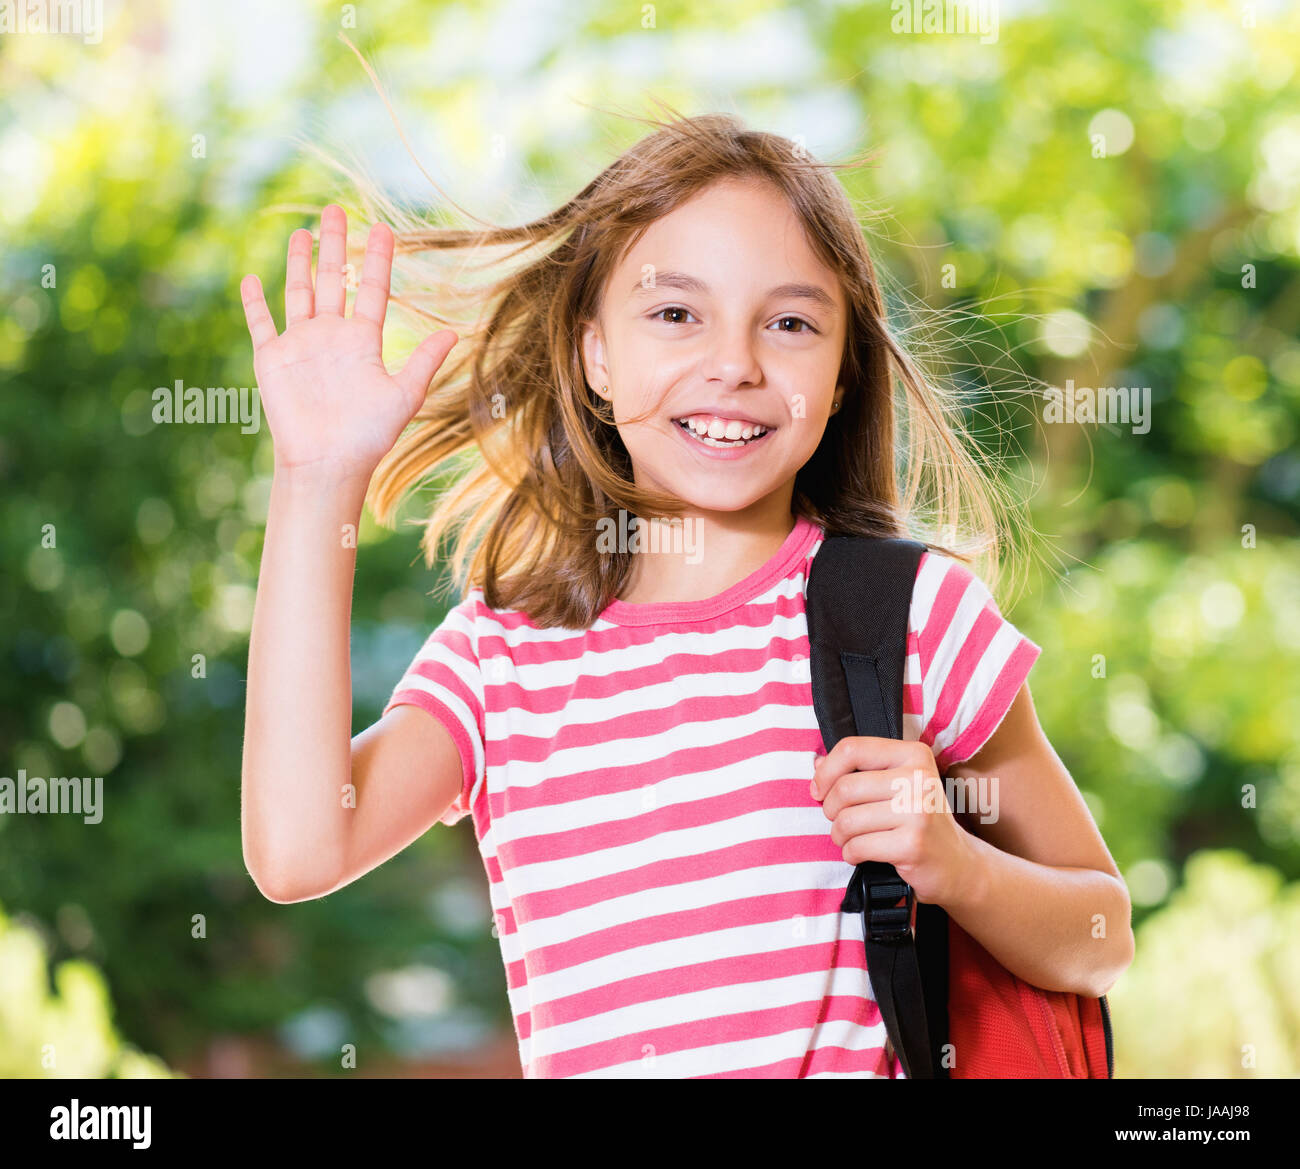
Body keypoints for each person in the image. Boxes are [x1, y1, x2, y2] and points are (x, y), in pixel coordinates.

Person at [238, 111, 1134, 1078]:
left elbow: (1100, 934)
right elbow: (298, 851)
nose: (735, 363)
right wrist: (317, 478)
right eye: (675, 313)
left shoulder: (909, 616)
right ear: (594, 355)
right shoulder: (499, 657)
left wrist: (958, 865)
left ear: (839, 378)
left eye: (790, 322)